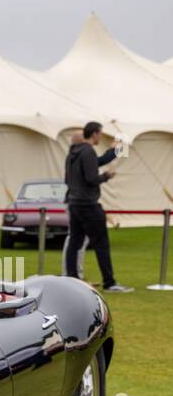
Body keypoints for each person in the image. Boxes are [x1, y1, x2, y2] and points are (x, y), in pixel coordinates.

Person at [65, 121, 131, 292]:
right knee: (101, 243)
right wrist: (107, 176)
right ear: (94, 134)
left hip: (74, 203)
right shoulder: (87, 151)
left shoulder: (73, 152)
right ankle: (110, 282)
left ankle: (71, 279)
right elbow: (91, 178)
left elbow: (97, 162)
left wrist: (114, 151)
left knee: (75, 241)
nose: (100, 137)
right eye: (100, 134)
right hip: (87, 204)